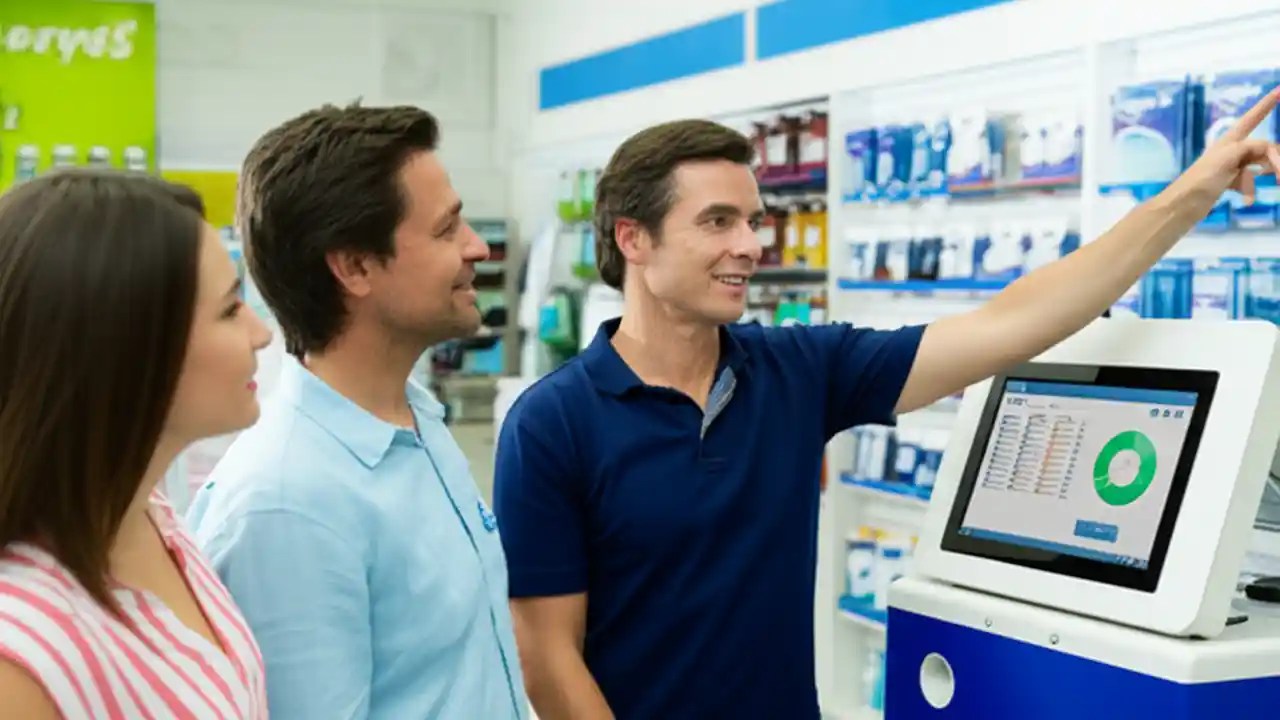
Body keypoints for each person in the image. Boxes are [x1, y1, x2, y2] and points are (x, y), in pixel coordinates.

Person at [493, 91, 1280, 719]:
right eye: (717, 222)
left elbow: (1012, 324)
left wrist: (1193, 190)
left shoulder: (800, 370)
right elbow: (549, 660)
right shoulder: (553, 423)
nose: (750, 245)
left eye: (754, 221)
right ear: (633, 238)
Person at [185, 104, 528, 720]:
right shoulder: (288, 506)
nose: (477, 246)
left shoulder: (416, 422)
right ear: (355, 266)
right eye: (447, 229)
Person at [0, 170, 273, 719]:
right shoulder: (22, 661)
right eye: (228, 308)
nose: (260, 333)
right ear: (125, 350)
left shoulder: (152, 517)